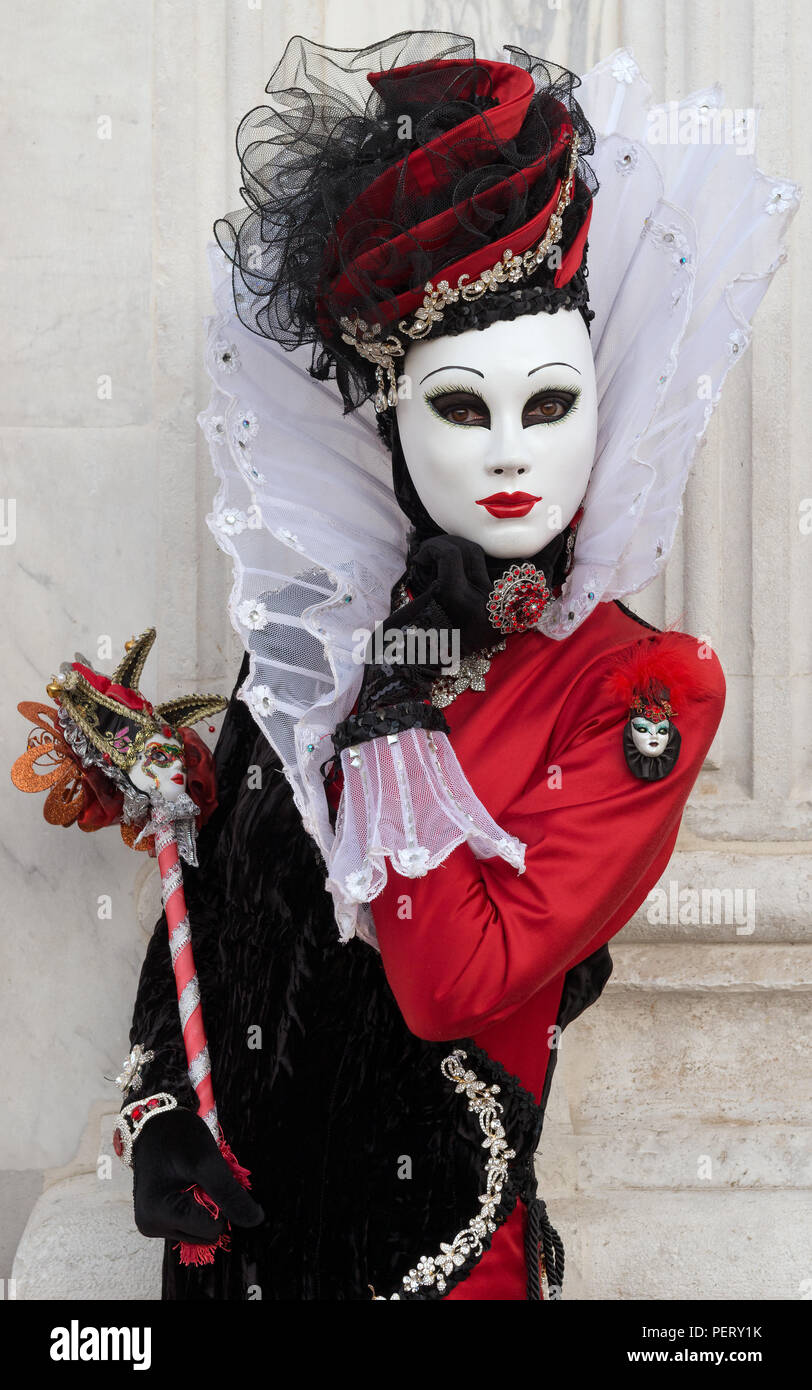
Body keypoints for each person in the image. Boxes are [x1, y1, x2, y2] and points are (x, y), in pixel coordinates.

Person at [120, 32, 797, 1300]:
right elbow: (208, 910)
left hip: (428, 1272)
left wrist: (394, 708)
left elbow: (452, 987)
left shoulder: (641, 686)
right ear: (390, 425)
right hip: (232, 1265)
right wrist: (159, 1113)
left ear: (605, 403)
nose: (506, 453)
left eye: (546, 404)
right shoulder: (317, 639)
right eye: (456, 407)